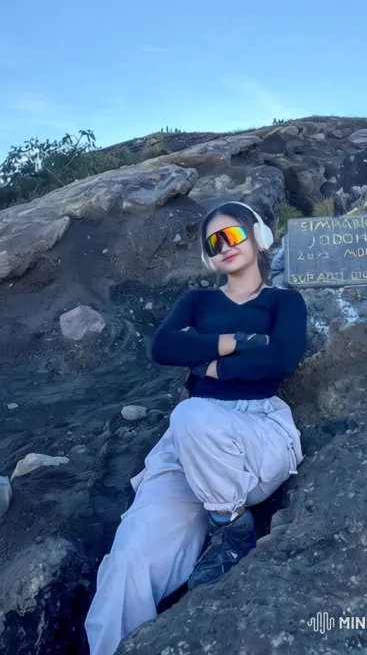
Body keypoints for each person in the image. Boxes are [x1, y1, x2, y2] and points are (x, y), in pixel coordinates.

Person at [85, 200, 307, 655]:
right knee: (128, 558)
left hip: (256, 431)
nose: (225, 246)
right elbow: (163, 346)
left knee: (191, 415)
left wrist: (212, 366)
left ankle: (231, 528)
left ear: (259, 237)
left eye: (234, 235)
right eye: (214, 241)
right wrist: (238, 342)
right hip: (189, 443)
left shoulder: (285, 301)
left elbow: (281, 358)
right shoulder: (197, 301)